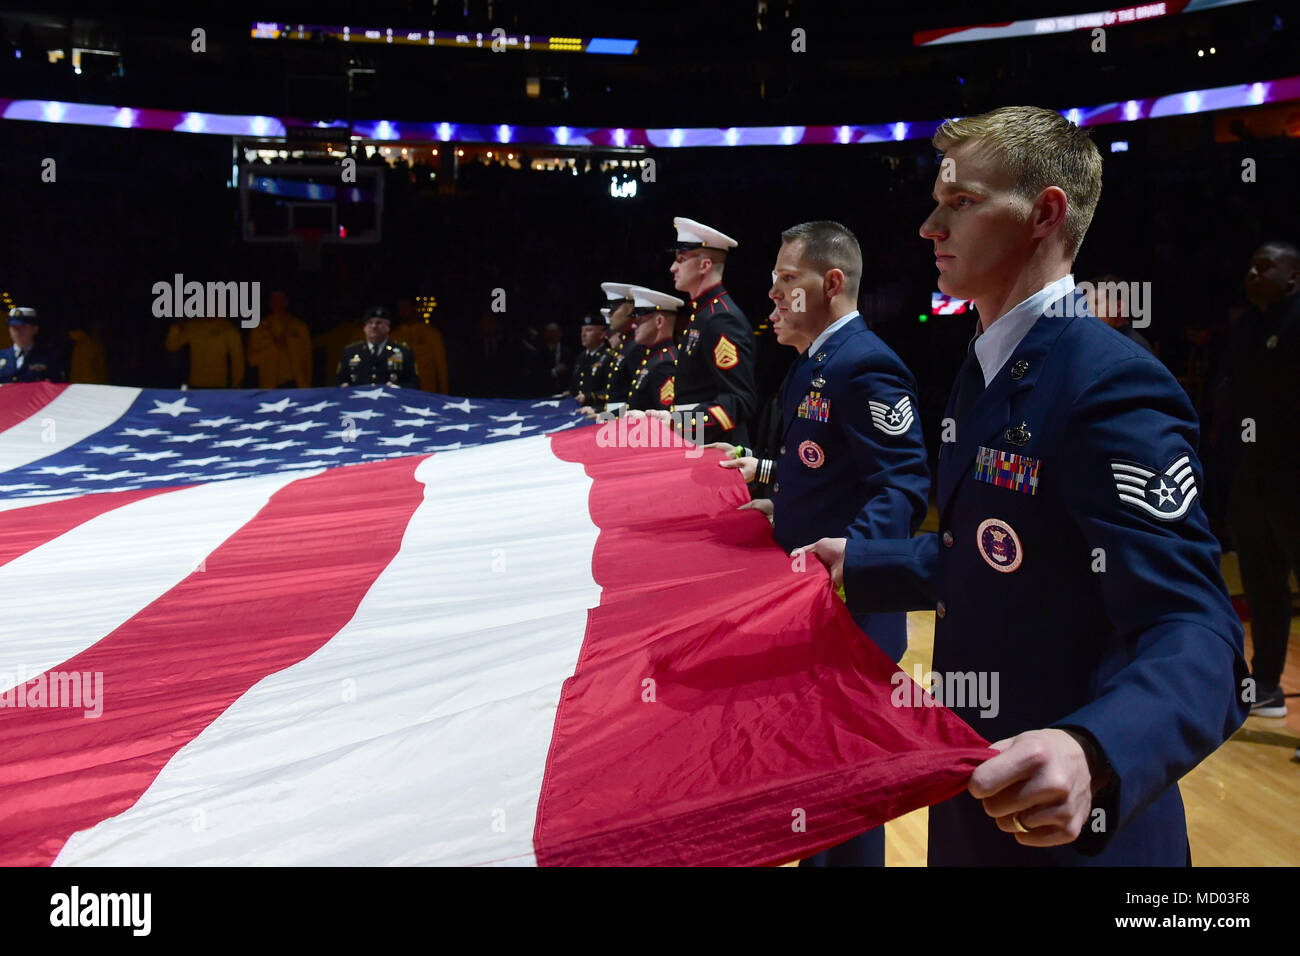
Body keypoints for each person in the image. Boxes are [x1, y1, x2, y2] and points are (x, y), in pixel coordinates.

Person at [797, 106, 1248, 865]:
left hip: (1074, 829)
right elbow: (1012, 557)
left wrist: (1092, 749)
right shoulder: (987, 363)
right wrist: (865, 564)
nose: (929, 226)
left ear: (1045, 213)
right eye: (939, 200)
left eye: (961, 203)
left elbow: (1198, 629)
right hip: (980, 797)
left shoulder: (1112, 385)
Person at [762, 222, 930, 867]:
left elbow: (902, 486)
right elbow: (829, 474)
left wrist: (852, 563)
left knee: (849, 792)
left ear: (831, 283)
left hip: (850, 609)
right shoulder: (819, 364)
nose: (772, 294)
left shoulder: (866, 363)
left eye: (786, 279)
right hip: (816, 607)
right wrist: (780, 503)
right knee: (820, 782)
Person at [1224, 241, 1300, 718]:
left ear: (1293, 277)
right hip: (1254, 481)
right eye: (1251, 264)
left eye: (1266, 266)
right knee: (1264, 588)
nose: (1253, 271)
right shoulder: (1246, 325)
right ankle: (1266, 685)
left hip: (1296, 482)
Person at [663, 217, 757, 444]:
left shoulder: (721, 319)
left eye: (681, 260)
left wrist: (678, 421)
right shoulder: (703, 314)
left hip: (717, 449)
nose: (672, 267)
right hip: (698, 441)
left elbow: (739, 400)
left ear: (704, 265)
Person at [621, 288, 680, 411]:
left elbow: (667, 419)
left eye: (639, 321)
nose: (633, 325)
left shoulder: (665, 363)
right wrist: (604, 415)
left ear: (659, 322)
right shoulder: (653, 357)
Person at [335, 306, 420, 388]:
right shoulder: (350, 352)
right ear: (364, 328)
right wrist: (343, 387)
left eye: (379, 323)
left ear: (388, 326)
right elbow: (339, 382)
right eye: (370, 323)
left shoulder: (403, 352)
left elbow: (414, 385)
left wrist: (397, 388)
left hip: (390, 401)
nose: (374, 326)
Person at [247, 290, 311, 389]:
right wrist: (273, 347)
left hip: (297, 385)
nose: (276, 302)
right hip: (269, 387)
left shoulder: (299, 327)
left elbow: (307, 358)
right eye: (273, 299)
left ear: (286, 302)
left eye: (280, 299)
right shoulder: (259, 328)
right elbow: (252, 360)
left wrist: (307, 385)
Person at [164, 313, 244, 388]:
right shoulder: (193, 326)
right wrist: (175, 328)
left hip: (219, 387)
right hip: (194, 386)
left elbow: (237, 361)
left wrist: (236, 385)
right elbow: (172, 347)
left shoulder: (228, 329)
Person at [1084, 274, 1154, 353]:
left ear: (1118, 307)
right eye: (1088, 304)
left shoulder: (1136, 346)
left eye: (1097, 303)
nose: (1089, 310)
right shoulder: (1092, 339)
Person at [392, 297, 449, 394]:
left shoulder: (430, 333)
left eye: (406, 307)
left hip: (427, 391)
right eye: (400, 308)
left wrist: (444, 392)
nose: (403, 311)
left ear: (413, 308)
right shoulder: (395, 335)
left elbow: (441, 366)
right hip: (404, 392)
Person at [0, 307, 64, 383]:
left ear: (35, 329)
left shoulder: (49, 357)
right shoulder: (2, 356)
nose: (18, 332)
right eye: (14, 327)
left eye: (23, 327)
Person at [569, 312, 615, 410]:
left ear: (602, 334)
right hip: (578, 408)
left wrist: (588, 397)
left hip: (599, 409)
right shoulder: (581, 357)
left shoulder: (609, 357)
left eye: (588, 330)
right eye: (582, 331)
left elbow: (613, 391)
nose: (583, 334)